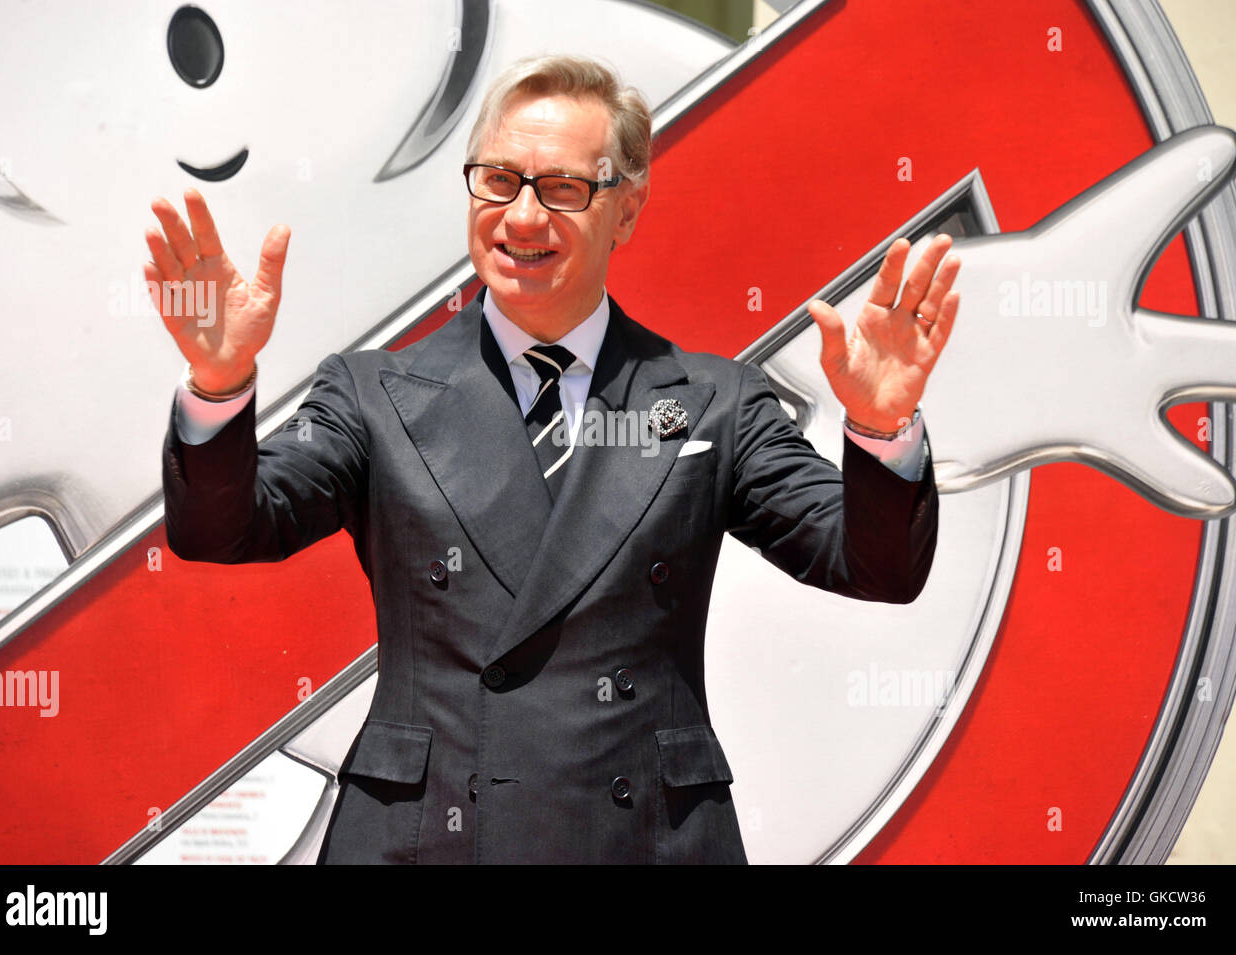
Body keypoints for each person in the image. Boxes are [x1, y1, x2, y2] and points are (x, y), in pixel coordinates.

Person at [148, 54, 959, 864]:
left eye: (563, 189)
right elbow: (224, 527)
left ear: (627, 210)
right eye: (497, 181)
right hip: (428, 836)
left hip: (642, 839)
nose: (522, 218)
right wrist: (220, 387)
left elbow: (873, 565)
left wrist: (882, 426)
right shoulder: (375, 393)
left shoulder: (716, 404)